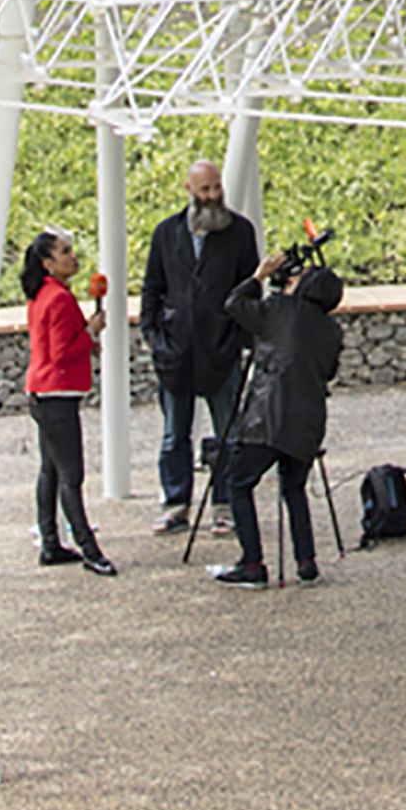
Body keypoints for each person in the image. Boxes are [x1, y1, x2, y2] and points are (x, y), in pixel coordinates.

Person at [210, 248, 344, 587]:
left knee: (238, 483)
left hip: (268, 418)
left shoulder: (280, 309)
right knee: (294, 488)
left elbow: (234, 305)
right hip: (309, 420)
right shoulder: (332, 331)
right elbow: (327, 372)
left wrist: (258, 276)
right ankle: (306, 562)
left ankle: (252, 563)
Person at [139, 158, 259, 532]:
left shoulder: (239, 231)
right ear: (189, 189)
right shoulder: (166, 233)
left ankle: (225, 503)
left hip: (221, 349)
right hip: (177, 350)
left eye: (216, 188)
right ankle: (176, 503)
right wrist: (153, 336)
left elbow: (250, 287)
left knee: (227, 431)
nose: (212, 196)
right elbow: (152, 287)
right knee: (175, 432)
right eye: (205, 189)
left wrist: (240, 338)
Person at [20, 229, 117, 575]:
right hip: (57, 393)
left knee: (50, 469)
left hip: (43, 392)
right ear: (48, 263)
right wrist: (90, 332)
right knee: (70, 474)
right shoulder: (59, 299)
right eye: (64, 252)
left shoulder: (42, 295)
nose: (72, 257)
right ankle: (89, 549)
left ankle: (50, 541)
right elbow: (61, 352)